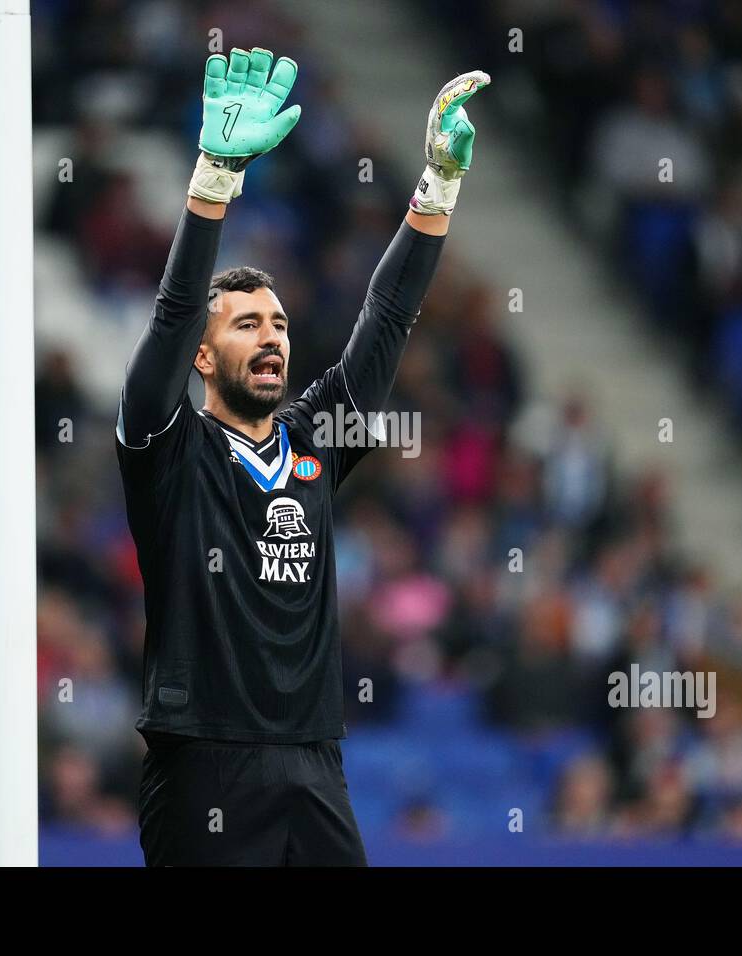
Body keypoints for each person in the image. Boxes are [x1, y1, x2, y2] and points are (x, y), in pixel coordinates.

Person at [115, 46, 489, 865]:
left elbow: (386, 321)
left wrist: (437, 188)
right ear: (203, 361)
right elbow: (176, 313)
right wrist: (215, 178)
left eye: (279, 323)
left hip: (315, 763)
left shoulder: (314, 441)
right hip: (202, 762)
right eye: (247, 324)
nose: (272, 335)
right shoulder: (166, 447)